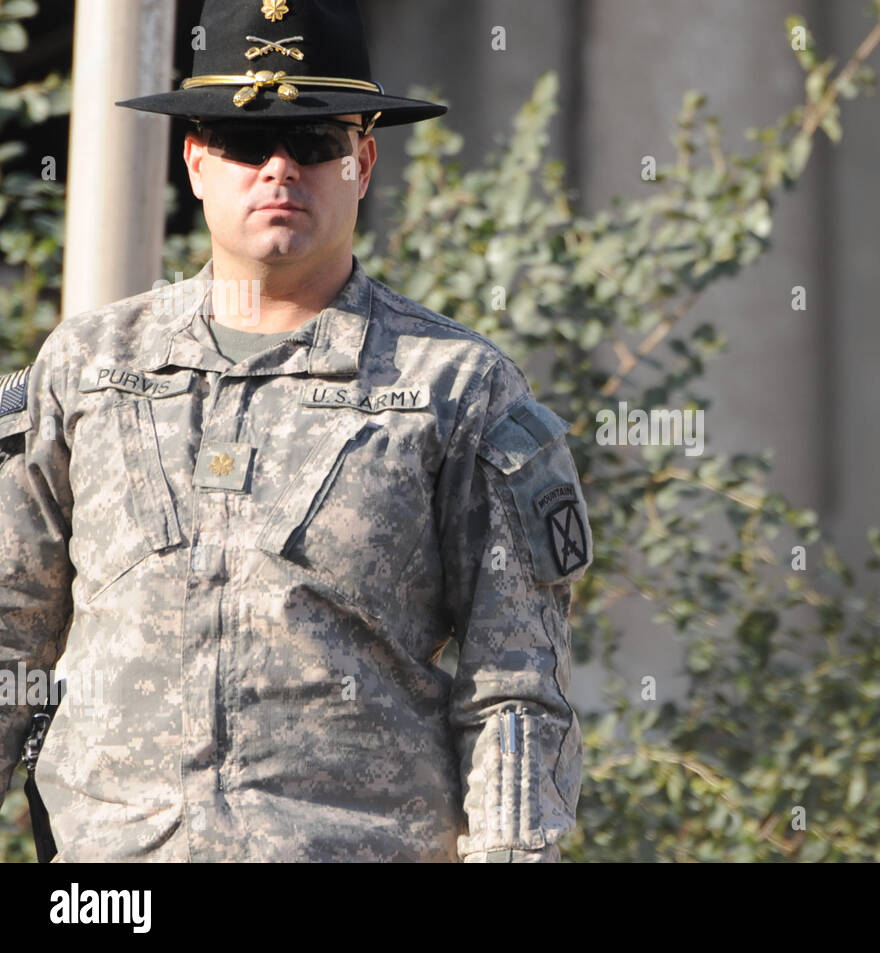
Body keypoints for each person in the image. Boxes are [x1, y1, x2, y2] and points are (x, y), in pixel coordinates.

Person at [0, 0, 592, 862]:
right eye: (245, 143)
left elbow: (517, 688)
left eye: (316, 142)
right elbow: (11, 630)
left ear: (363, 161)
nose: (279, 167)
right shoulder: (86, 365)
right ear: (197, 161)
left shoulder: (455, 387)